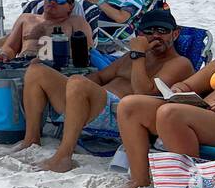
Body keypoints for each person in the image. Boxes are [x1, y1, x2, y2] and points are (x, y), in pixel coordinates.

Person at [13, 9, 193, 172]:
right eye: (149, 31)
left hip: (121, 114)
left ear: (175, 34)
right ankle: (31, 139)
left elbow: (144, 92)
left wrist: (138, 55)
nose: (155, 36)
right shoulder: (128, 59)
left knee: (77, 82)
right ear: (140, 35)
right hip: (92, 104)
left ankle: (63, 156)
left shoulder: (179, 63)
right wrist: (74, 91)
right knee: (37, 71)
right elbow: (99, 78)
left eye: (162, 31)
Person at [109, 52, 215, 188]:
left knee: (170, 113)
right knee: (130, 105)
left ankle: (188, 187)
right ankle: (138, 180)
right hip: (207, 114)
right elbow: (187, 84)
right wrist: (178, 90)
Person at [0, 0, 93, 62]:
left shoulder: (76, 22)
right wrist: (4, 55)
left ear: (70, 7)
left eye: (59, 0)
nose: (52, 2)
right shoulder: (26, 19)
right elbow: (10, 47)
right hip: (23, 65)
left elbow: (88, 51)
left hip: (58, 68)